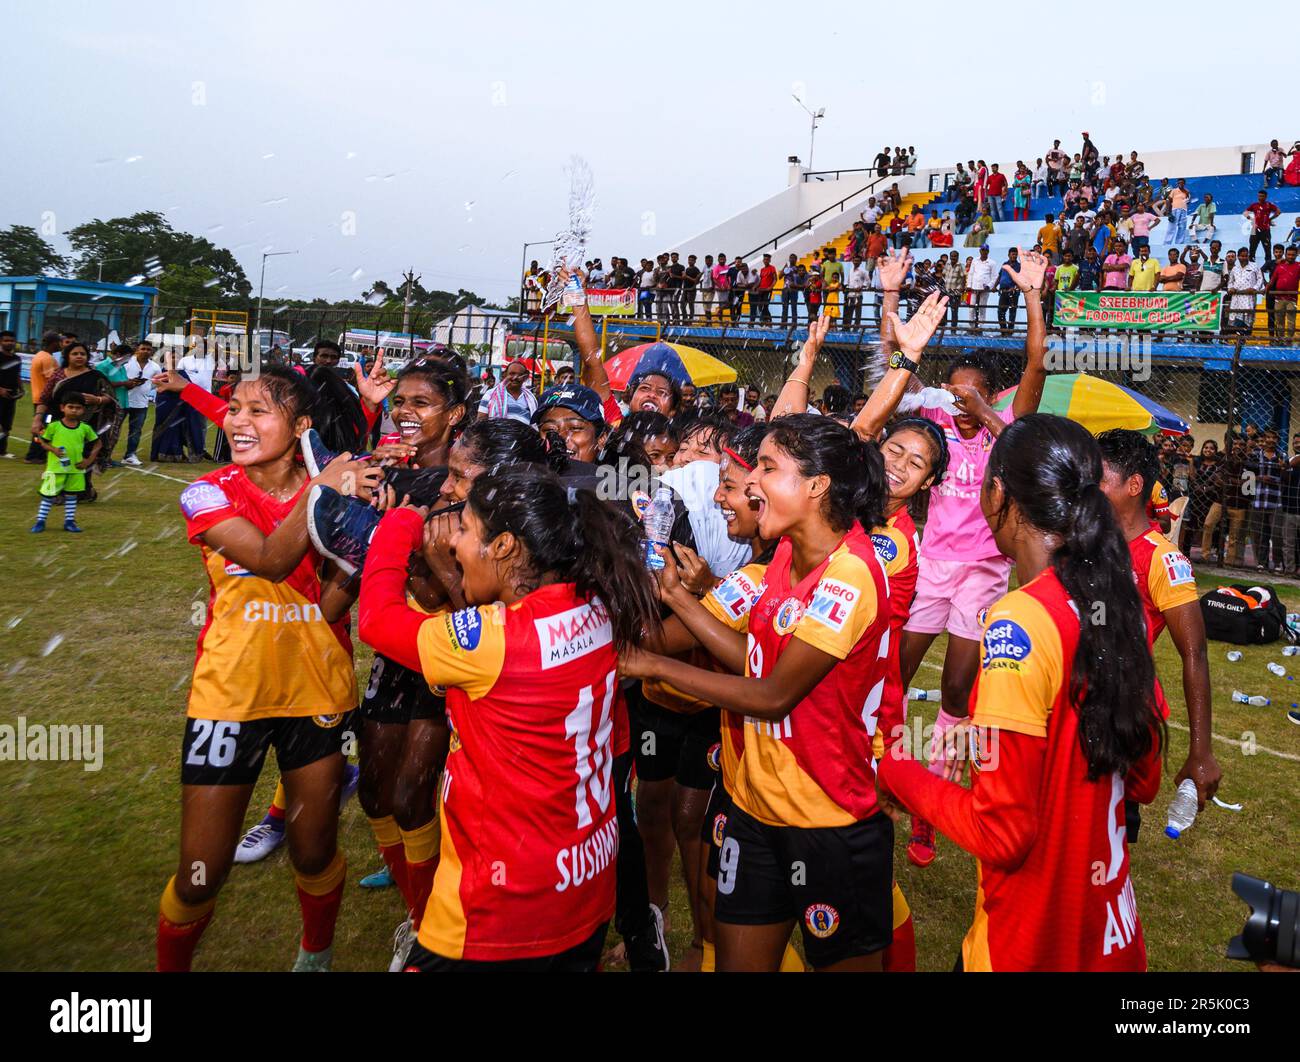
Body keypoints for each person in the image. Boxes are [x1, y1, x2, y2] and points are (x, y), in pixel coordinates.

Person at [877, 415, 1165, 970]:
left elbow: (1003, 832)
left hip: (1029, 940)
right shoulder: (1114, 603)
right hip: (1109, 934)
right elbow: (1144, 777)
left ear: (999, 494)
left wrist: (897, 774)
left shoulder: (1019, 622)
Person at [618, 415, 896, 972]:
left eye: (767, 469)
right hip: (753, 810)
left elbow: (771, 695)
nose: (751, 485)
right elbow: (750, 655)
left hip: (828, 822)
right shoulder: (785, 559)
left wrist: (653, 665)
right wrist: (679, 599)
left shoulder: (853, 574)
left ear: (817, 486)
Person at [356, 466, 658, 971]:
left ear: (504, 547)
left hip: (497, 909)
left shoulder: (492, 640)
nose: (454, 546)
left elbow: (376, 620)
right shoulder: (596, 604)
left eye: (468, 531)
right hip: (581, 886)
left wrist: (398, 524)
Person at [155, 366, 381, 972]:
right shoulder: (206, 491)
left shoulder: (338, 490)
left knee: (313, 853)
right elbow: (268, 561)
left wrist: (359, 532)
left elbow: (331, 605)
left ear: (301, 426)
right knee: (202, 874)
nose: (238, 422)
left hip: (318, 693)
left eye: (259, 410)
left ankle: (315, 957)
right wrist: (323, 492)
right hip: (229, 696)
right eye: (233, 409)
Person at [897, 251, 1049, 868]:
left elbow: (1037, 361)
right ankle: (884, 772)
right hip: (931, 564)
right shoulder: (933, 420)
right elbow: (896, 370)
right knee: (894, 674)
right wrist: (889, 299)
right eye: (953, 389)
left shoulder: (1007, 424)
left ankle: (930, 807)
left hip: (984, 572)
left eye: (972, 391)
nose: (958, 399)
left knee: (959, 685)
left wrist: (1034, 294)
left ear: (989, 394)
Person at [1096, 431, 1221, 815]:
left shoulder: (1163, 560)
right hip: (1073, 702)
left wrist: (1200, 751)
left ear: (1134, 485)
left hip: (1124, 716)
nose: (1087, 488)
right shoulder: (1083, 539)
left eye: (1098, 479)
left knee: (1112, 821)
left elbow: (1194, 654)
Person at [31, 392, 100, 533]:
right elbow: (42, 441)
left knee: (71, 496)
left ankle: (69, 522)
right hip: (54, 469)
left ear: (83, 410)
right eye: (71, 407)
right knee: (48, 496)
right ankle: (40, 521)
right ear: (63, 408)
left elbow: (98, 443)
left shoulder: (84, 428)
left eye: (78, 407)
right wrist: (53, 449)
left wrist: (89, 460)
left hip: (75, 469)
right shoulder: (54, 426)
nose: (74, 410)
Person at [24, 332, 62, 463]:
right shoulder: (47, 359)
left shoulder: (40, 355)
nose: (61, 344)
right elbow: (53, 380)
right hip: (45, 401)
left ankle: (38, 454)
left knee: (43, 426)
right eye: (59, 342)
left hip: (39, 399)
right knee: (44, 427)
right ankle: (34, 455)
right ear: (54, 343)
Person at [121, 340, 160, 465]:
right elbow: (117, 377)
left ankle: (130, 455)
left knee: (136, 431)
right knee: (114, 430)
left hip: (141, 403)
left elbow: (156, 382)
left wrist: (146, 387)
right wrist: (128, 382)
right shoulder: (126, 362)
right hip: (122, 401)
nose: (146, 351)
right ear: (137, 350)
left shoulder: (155, 366)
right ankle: (105, 456)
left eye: (148, 349)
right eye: (143, 349)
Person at [0, 330, 21, 459]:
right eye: (6, 340)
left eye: (12, 341)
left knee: (7, 424)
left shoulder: (16, 358)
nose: (9, 343)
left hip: (11, 396)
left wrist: (22, 389)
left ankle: (2, 450)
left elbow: (17, 375)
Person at [1245, 190, 1281, 262]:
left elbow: (1278, 212)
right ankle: (1251, 263)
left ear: (1266, 197)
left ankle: (1268, 264)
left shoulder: (1269, 205)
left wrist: (1270, 219)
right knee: (1252, 247)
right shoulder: (1254, 205)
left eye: (1262, 196)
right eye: (1259, 196)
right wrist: (1249, 217)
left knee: (1267, 247)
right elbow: (1245, 212)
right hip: (1255, 229)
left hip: (1265, 230)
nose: (1260, 197)